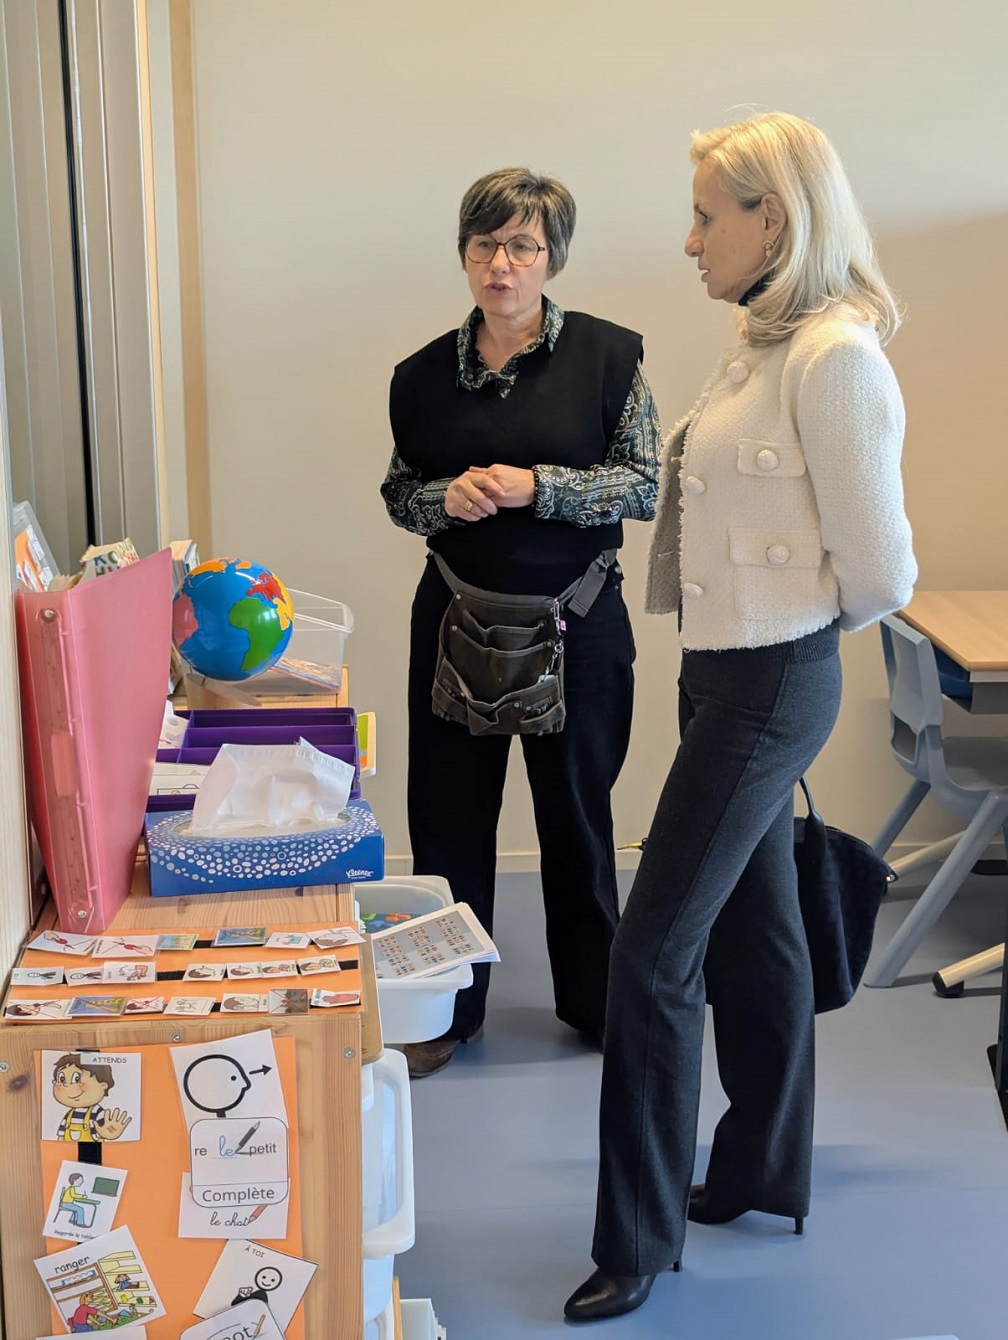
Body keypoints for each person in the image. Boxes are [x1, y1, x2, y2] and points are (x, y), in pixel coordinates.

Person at [564, 111, 917, 1322]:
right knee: (757, 930)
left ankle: (639, 1236)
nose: (691, 237)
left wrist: (792, 646)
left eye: (710, 212)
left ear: (775, 216)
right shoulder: (760, 345)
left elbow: (882, 568)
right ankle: (765, 1166)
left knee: (653, 953)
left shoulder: (832, 357)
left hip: (769, 680)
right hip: (724, 669)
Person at [382, 167, 660, 1078]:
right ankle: (444, 1015)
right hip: (455, 621)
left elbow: (645, 483)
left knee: (576, 820)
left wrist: (540, 487)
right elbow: (397, 494)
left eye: (522, 246)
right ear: (464, 255)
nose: (501, 264)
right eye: (484, 245)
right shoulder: (420, 376)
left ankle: (595, 1006)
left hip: (578, 623)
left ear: (552, 258)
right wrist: (441, 500)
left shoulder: (612, 359)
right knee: (448, 820)